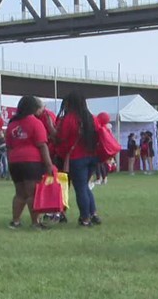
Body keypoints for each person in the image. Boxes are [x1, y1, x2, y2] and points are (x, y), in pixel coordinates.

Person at [5, 95, 56, 230]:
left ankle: (15, 221)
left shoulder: (12, 124)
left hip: (15, 162)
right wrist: (49, 165)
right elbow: (42, 145)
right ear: (33, 108)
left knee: (19, 193)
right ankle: (35, 223)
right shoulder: (35, 123)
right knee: (32, 194)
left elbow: (8, 146)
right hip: (31, 161)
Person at [54, 91, 102, 227]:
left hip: (77, 157)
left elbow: (61, 138)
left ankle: (85, 218)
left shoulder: (69, 119)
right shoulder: (92, 118)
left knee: (80, 188)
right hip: (92, 156)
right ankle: (93, 214)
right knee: (85, 187)